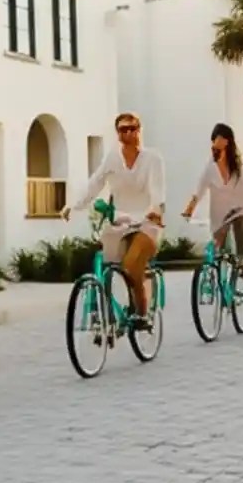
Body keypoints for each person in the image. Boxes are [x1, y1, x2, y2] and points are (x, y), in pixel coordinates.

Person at [60, 112, 165, 331]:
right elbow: (95, 183)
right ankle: (104, 308)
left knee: (131, 263)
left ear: (139, 130)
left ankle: (142, 311)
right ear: (117, 134)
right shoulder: (112, 158)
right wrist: (72, 205)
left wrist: (155, 209)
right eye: (123, 130)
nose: (128, 133)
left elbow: (157, 189)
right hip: (121, 223)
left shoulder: (152, 159)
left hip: (147, 221)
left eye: (132, 128)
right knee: (107, 263)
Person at [181, 123, 243, 268]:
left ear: (228, 142)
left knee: (241, 253)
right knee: (219, 250)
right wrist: (190, 209)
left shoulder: (238, 165)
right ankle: (218, 280)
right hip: (220, 213)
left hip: (240, 209)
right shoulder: (210, 167)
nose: (216, 147)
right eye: (214, 144)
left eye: (220, 141)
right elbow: (200, 189)